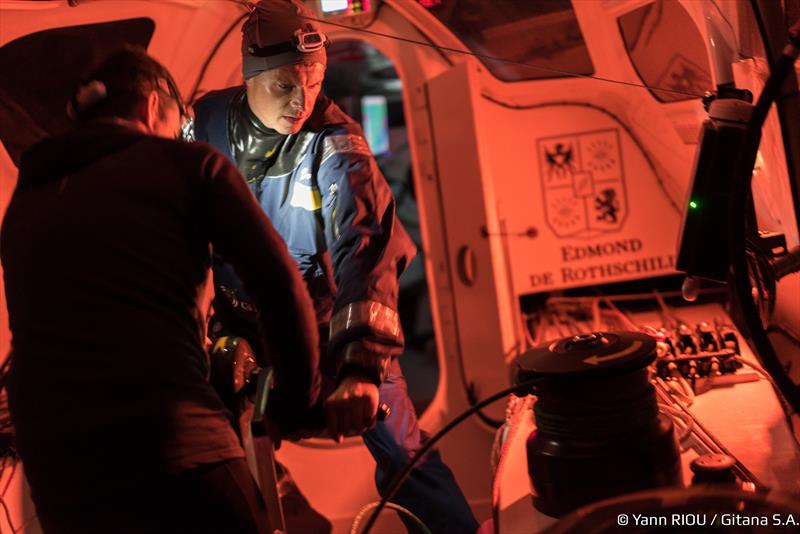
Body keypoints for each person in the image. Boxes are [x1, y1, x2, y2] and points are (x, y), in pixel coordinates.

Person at [0, 47, 364, 534]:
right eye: (175, 121)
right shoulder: (187, 165)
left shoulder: (27, 198)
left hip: (57, 467)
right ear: (153, 106)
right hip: (168, 440)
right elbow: (279, 286)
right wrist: (298, 403)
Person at [192, 1, 479, 532]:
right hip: (240, 326)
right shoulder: (202, 124)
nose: (302, 102)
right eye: (283, 87)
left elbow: (366, 246)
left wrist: (362, 369)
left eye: (314, 81)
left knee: (403, 451)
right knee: (221, 456)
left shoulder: (334, 142)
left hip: (327, 326)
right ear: (248, 78)